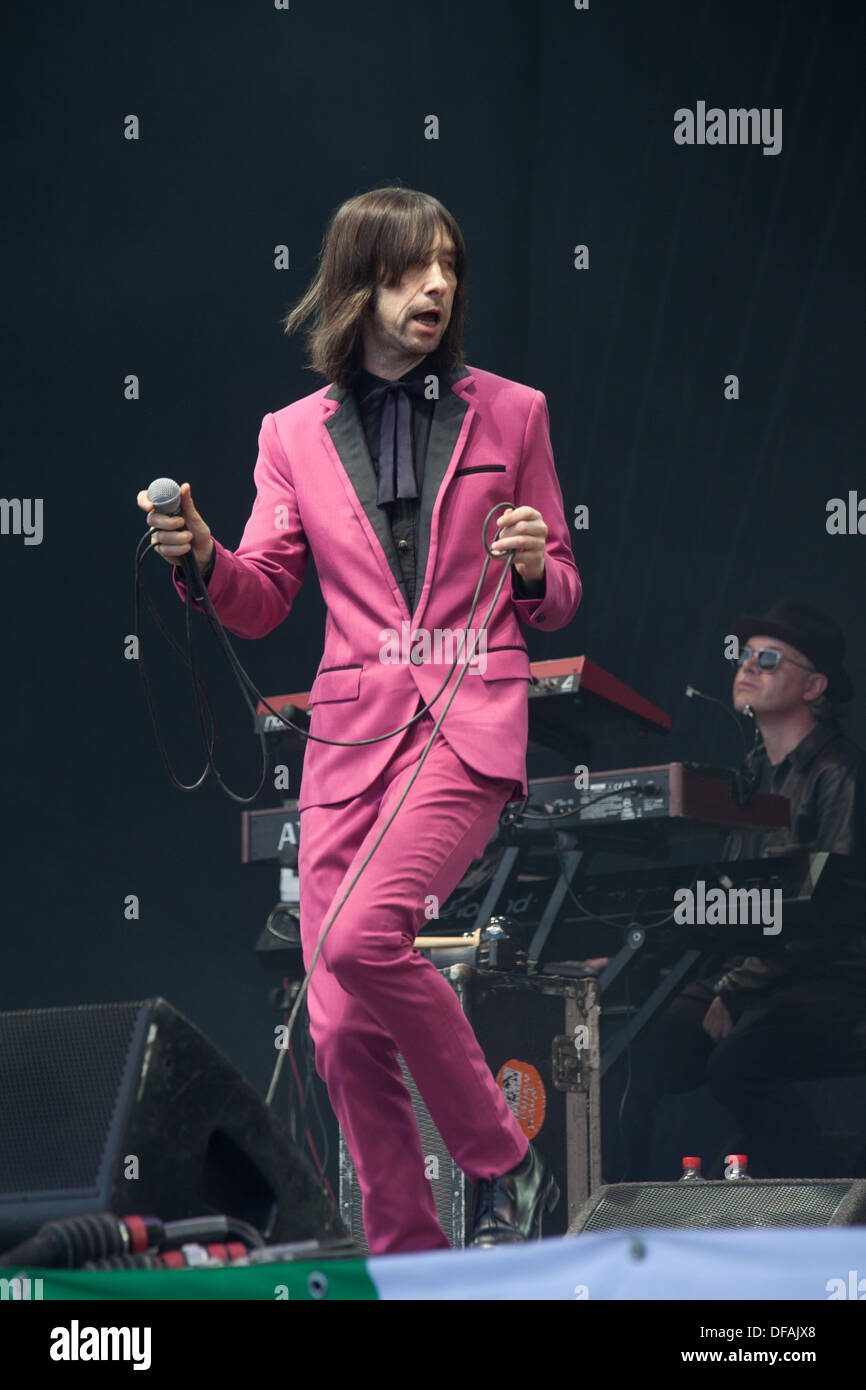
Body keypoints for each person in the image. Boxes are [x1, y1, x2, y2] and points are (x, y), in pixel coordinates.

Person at [137, 186, 582, 1253]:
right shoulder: (290, 435)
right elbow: (262, 594)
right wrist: (201, 554)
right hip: (348, 742)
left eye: (446, 269)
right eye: (407, 269)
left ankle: (506, 1161)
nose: (434, 287)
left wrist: (531, 567)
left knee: (359, 935)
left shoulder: (510, 412)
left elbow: (560, 585)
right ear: (357, 284)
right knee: (334, 1024)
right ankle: (409, 1258)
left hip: (466, 716)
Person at [616, 600, 866, 1180]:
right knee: (635, 1057)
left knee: (740, 1062)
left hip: (832, 975)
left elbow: (832, 913)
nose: (747, 667)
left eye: (769, 658)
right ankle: (616, 1219)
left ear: (816, 685)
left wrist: (736, 987)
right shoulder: (750, 775)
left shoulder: (841, 773)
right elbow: (730, 906)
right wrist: (646, 960)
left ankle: (827, 1191)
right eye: (745, 656)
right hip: (754, 973)